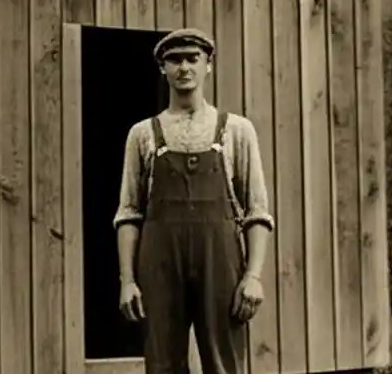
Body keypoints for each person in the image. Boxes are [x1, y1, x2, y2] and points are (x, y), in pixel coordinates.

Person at [113, 27, 274, 374]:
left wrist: (253, 276)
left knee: (224, 360)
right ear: (162, 68)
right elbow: (128, 214)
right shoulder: (142, 134)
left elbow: (257, 212)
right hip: (159, 260)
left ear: (208, 66)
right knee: (162, 362)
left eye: (192, 58)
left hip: (221, 258)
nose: (183, 67)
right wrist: (127, 280)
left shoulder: (237, 131)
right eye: (174, 59)